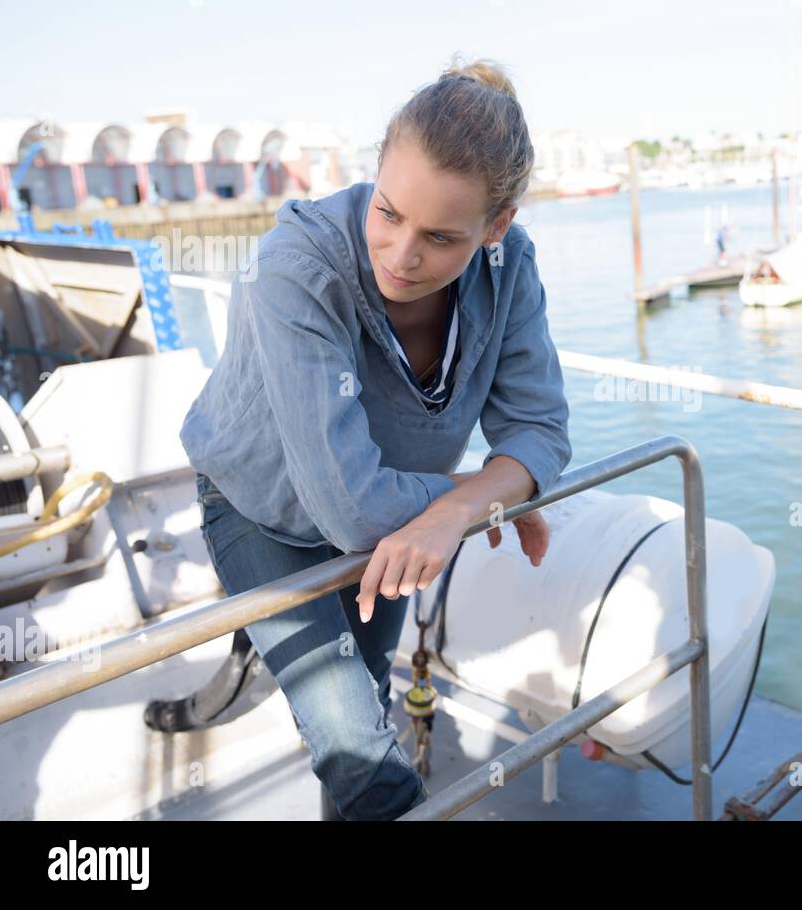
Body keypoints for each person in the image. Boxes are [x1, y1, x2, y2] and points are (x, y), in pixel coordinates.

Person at [178, 56, 572, 820]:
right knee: (362, 758)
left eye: (440, 237)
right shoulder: (295, 266)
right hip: (261, 507)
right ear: (374, 173)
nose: (400, 255)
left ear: (497, 226)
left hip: (402, 512)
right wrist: (475, 495)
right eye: (387, 212)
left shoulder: (511, 264)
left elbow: (540, 427)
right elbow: (353, 509)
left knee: (367, 698)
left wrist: (459, 507)